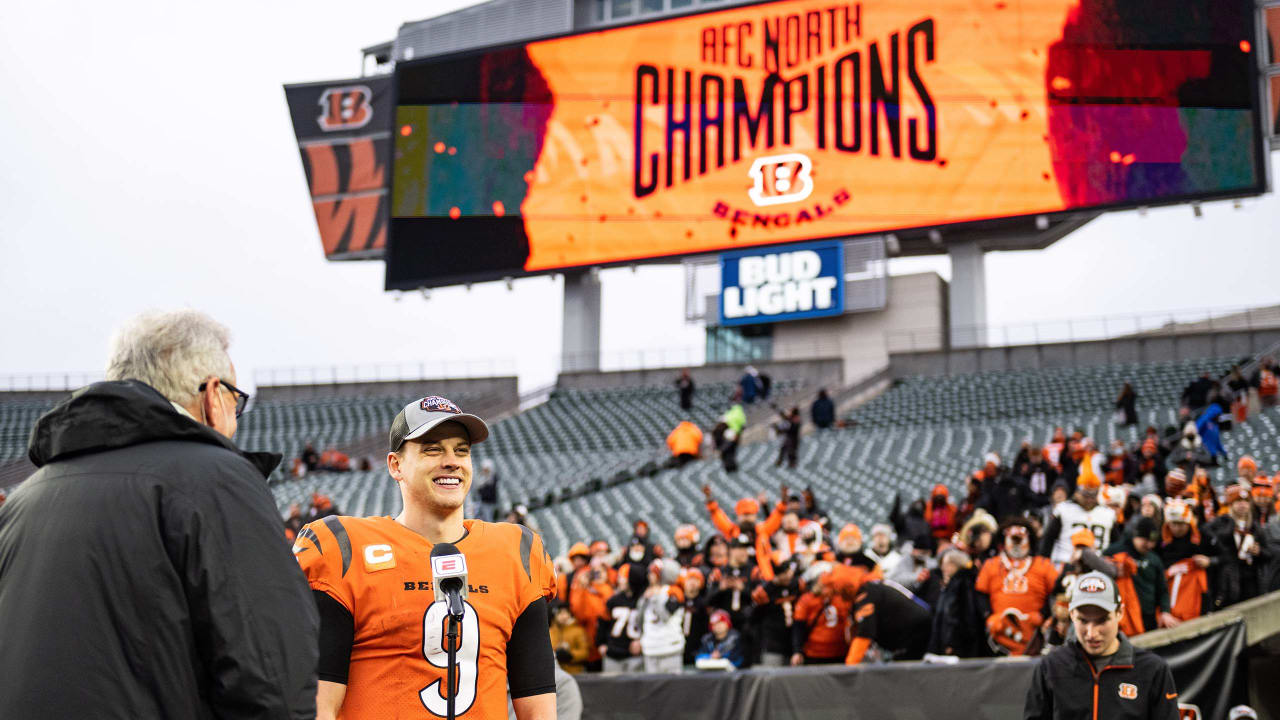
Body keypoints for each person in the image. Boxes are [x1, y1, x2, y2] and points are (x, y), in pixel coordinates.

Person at [0, 309, 318, 718]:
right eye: (235, 400)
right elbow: (271, 673)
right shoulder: (214, 478)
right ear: (212, 394)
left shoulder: (27, 497)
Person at [296, 395, 557, 720]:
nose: (452, 461)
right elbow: (319, 706)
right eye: (432, 449)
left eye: (461, 451)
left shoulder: (515, 552)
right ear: (396, 465)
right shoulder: (345, 549)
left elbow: (539, 710)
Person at [1023, 572, 1180, 720]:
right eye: (1083, 621)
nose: (1091, 633)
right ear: (1071, 615)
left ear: (1119, 613)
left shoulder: (1152, 670)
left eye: (1102, 621)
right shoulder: (1050, 667)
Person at [976, 520, 1058, 656]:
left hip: (1034, 630)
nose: (1016, 544)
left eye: (1020, 539)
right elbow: (981, 595)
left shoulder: (1044, 564)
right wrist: (989, 617)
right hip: (998, 630)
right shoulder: (991, 565)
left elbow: (1055, 593)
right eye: (1013, 539)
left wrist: (1043, 616)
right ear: (1003, 541)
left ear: (1030, 539)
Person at [637, 559, 686, 673]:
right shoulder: (647, 592)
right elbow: (639, 619)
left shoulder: (674, 591)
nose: (650, 576)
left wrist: (655, 597)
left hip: (670, 647)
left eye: (653, 572)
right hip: (650, 648)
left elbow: (665, 616)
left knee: (673, 688)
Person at [550, 604, 590, 674]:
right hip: (555, 672)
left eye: (566, 613)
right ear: (555, 615)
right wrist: (557, 652)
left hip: (575, 671)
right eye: (560, 613)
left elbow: (585, 652)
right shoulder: (550, 632)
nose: (564, 616)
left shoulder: (578, 631)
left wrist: (570, 655)